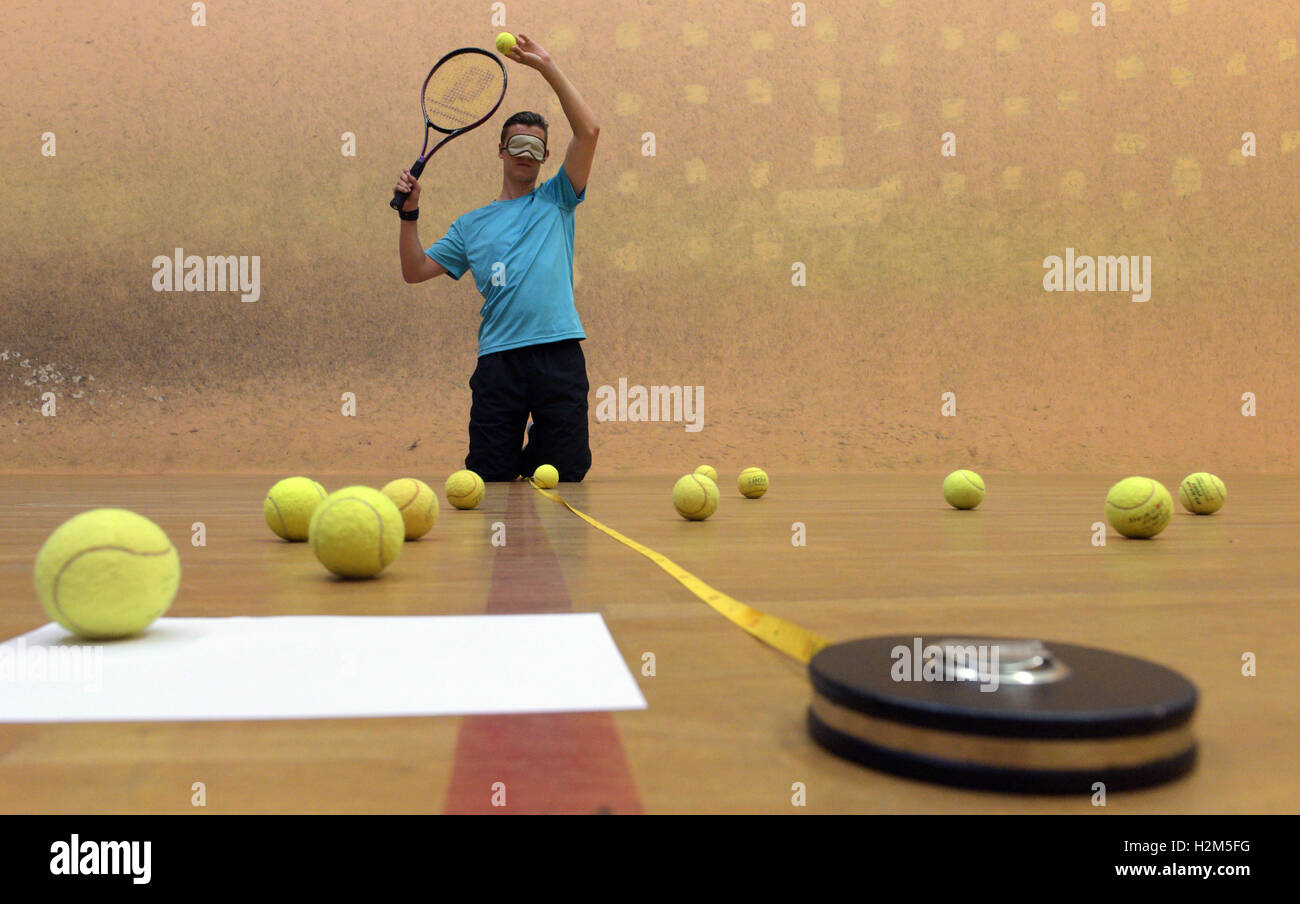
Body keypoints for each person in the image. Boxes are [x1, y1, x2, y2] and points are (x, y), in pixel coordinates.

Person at [395, 34, 599, 483]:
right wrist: (409, 214)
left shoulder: (558, 199)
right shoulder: (471, 225)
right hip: (499, 361)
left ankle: (535, 455)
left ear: (546, 157)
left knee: (566, 471)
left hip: (558, 353)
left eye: (536, 148)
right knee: (489, 474)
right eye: (517, 145)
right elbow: (414, 272)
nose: (526, 154)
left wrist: (546, 65)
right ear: (501, 151)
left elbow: (589, 131)